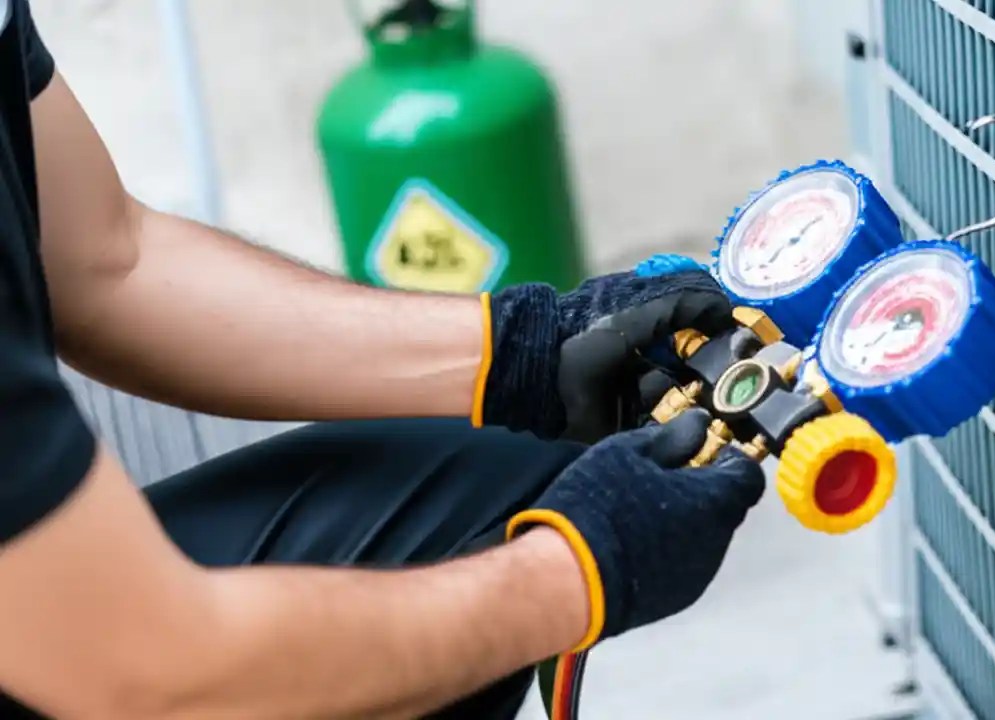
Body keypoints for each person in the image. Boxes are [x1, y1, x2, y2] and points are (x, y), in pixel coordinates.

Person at [0, 3, 766, 718]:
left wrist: (526, 351)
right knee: (486, 583)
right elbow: (137, 672)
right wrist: (575, 572)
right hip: (89, 659)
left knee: (502, 479)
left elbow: (107, 261)